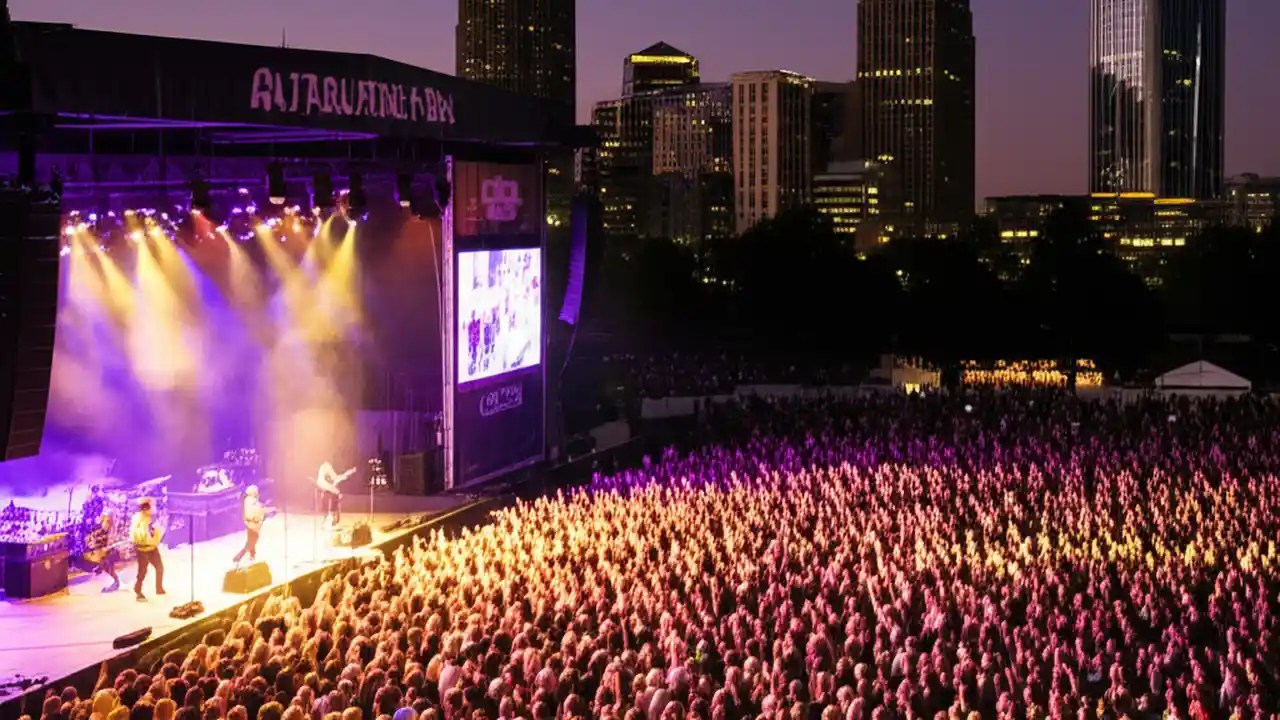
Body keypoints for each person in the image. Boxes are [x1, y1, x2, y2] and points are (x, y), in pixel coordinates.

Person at [129, 498, 165, 602]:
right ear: (145, 509)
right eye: (150, 507)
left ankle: (159, 588)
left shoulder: (150, 520)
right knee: (142, 572)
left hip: (152, 549)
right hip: (143, 550)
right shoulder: (138, 521)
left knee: (160, 568)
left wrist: (154, 535)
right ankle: (138, 590)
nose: (152, 509)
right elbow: (138, 536)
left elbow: (156, 534)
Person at [232, 485, 265, 567]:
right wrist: (257, 518)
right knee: (252, 540)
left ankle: (252, 555)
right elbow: (251, 513)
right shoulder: (250, 501)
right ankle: (239, 557)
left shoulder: (249, 501)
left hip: (253, 523)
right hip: (253, 523)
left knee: (251, 540)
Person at [315, 461, 354, 527]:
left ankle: (329, 518)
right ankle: (330, 516)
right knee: (336, 492)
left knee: (335, 493)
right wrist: (347, 474)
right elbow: (336, 479)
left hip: (324, 486)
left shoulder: (325, 470)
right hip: (325, 486)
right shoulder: (327, 468)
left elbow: (335, 479)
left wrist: (347, 474)